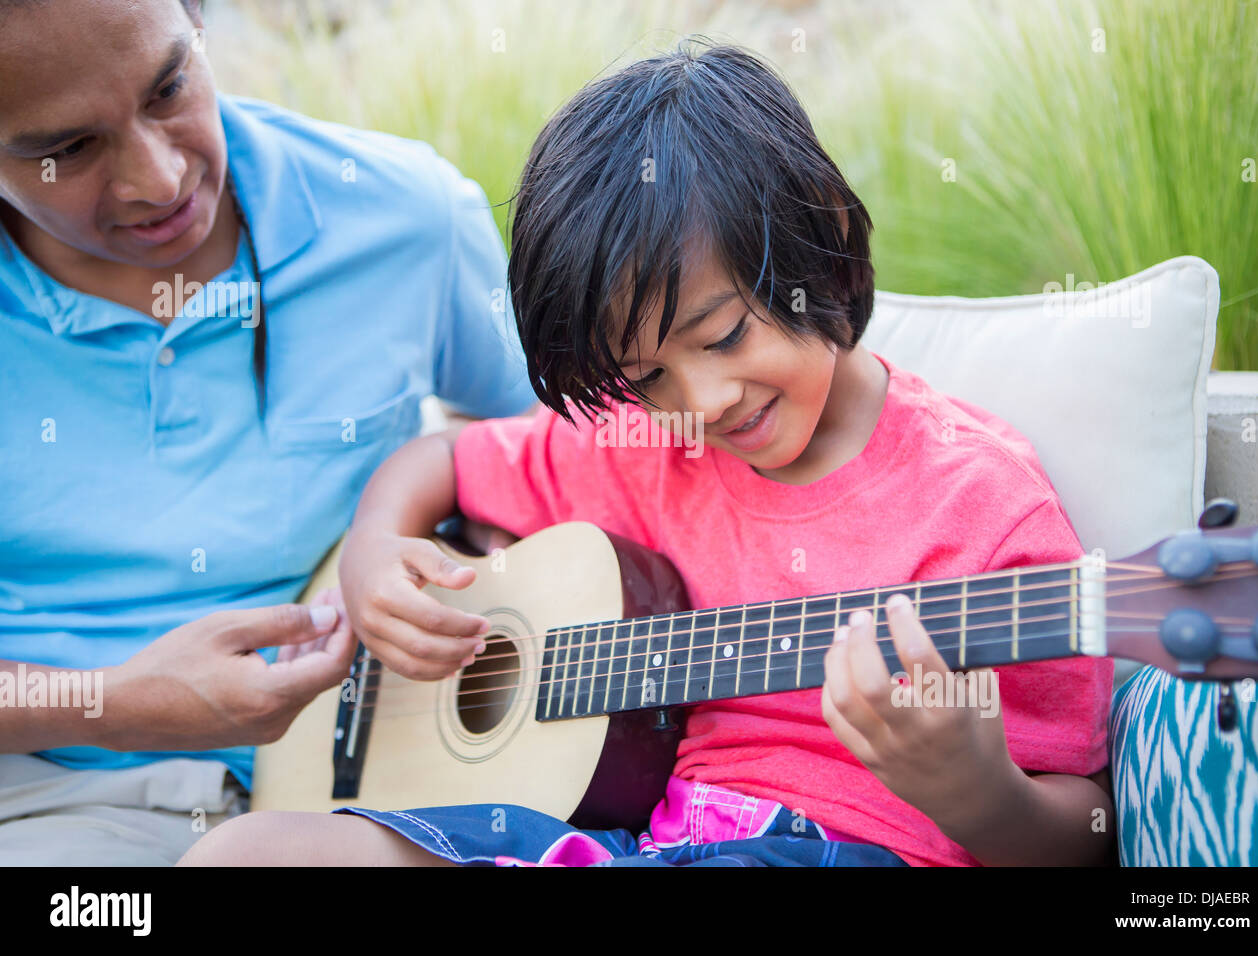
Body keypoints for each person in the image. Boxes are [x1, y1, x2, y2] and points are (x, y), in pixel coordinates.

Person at [181, 41, 1115, 867]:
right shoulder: (646, 441)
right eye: (648, 375)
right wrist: (375, 552)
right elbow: (443, 463)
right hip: (648, 838)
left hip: (848, 847)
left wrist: (973, 791)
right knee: (244, 853)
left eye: (720, 339)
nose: (703, 402)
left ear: (821, 237)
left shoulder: (982, 511)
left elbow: (1087, 833)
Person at [0, 0, 535, 865]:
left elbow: (550, 454)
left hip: (384, 795)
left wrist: (472, 546)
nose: (160, 178)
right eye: (67, 149)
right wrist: (113, 700)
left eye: (170, 86)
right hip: (53, 798)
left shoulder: (411, 216)